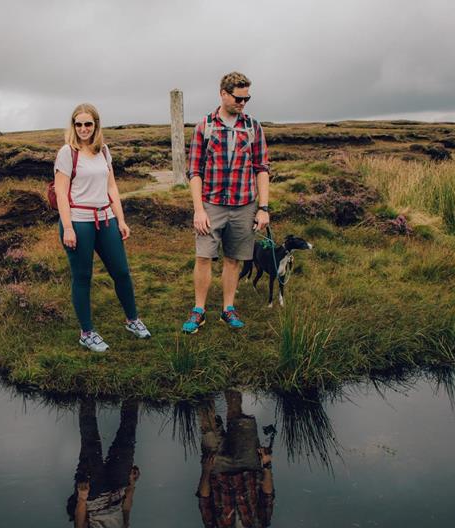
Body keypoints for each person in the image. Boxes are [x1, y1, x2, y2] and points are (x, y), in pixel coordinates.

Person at [54, 103, 151, 352]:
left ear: (96, 125)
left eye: (88, 124)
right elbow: (61, 194)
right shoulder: (67, 152)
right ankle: (87, 333)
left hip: (106, 218)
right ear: (73, 126)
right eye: (79, 124)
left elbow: (112, 188)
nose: (84, 129)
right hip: (79, 221)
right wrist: (68, 227)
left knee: (121, 272)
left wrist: (121, 219)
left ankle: (133, 320)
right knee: (83, 277)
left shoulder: (103, 151)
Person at [182, 72, 270, 333]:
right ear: (223, 93)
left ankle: (227, 309)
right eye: (239, 98)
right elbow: (194, 171)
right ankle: (199, 310)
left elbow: (262, 168)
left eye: (247, 98)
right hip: (211, 204)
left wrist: (263, 208)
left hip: (244, 205)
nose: (243, 103)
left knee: (234, 259)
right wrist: (198, 209)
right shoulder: (204, 127)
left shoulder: (253, 127)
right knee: (204, 256)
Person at [197, 391, 275, 527]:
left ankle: (200, 380)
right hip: (248, 468)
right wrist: (267, 465)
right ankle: (231, 378)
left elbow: (204, 500)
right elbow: (267, 496)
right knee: (237, 416)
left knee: (208, 427)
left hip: (217, 472)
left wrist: (206, 471)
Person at [67, 398, 140, 528]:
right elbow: (126, 512)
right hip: (117, 491)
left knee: (91, 444)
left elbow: (80, 524)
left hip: (94, 497)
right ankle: (132, 394)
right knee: (127, 441)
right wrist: (131, 485)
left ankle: (87, 393)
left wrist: (82, 498)